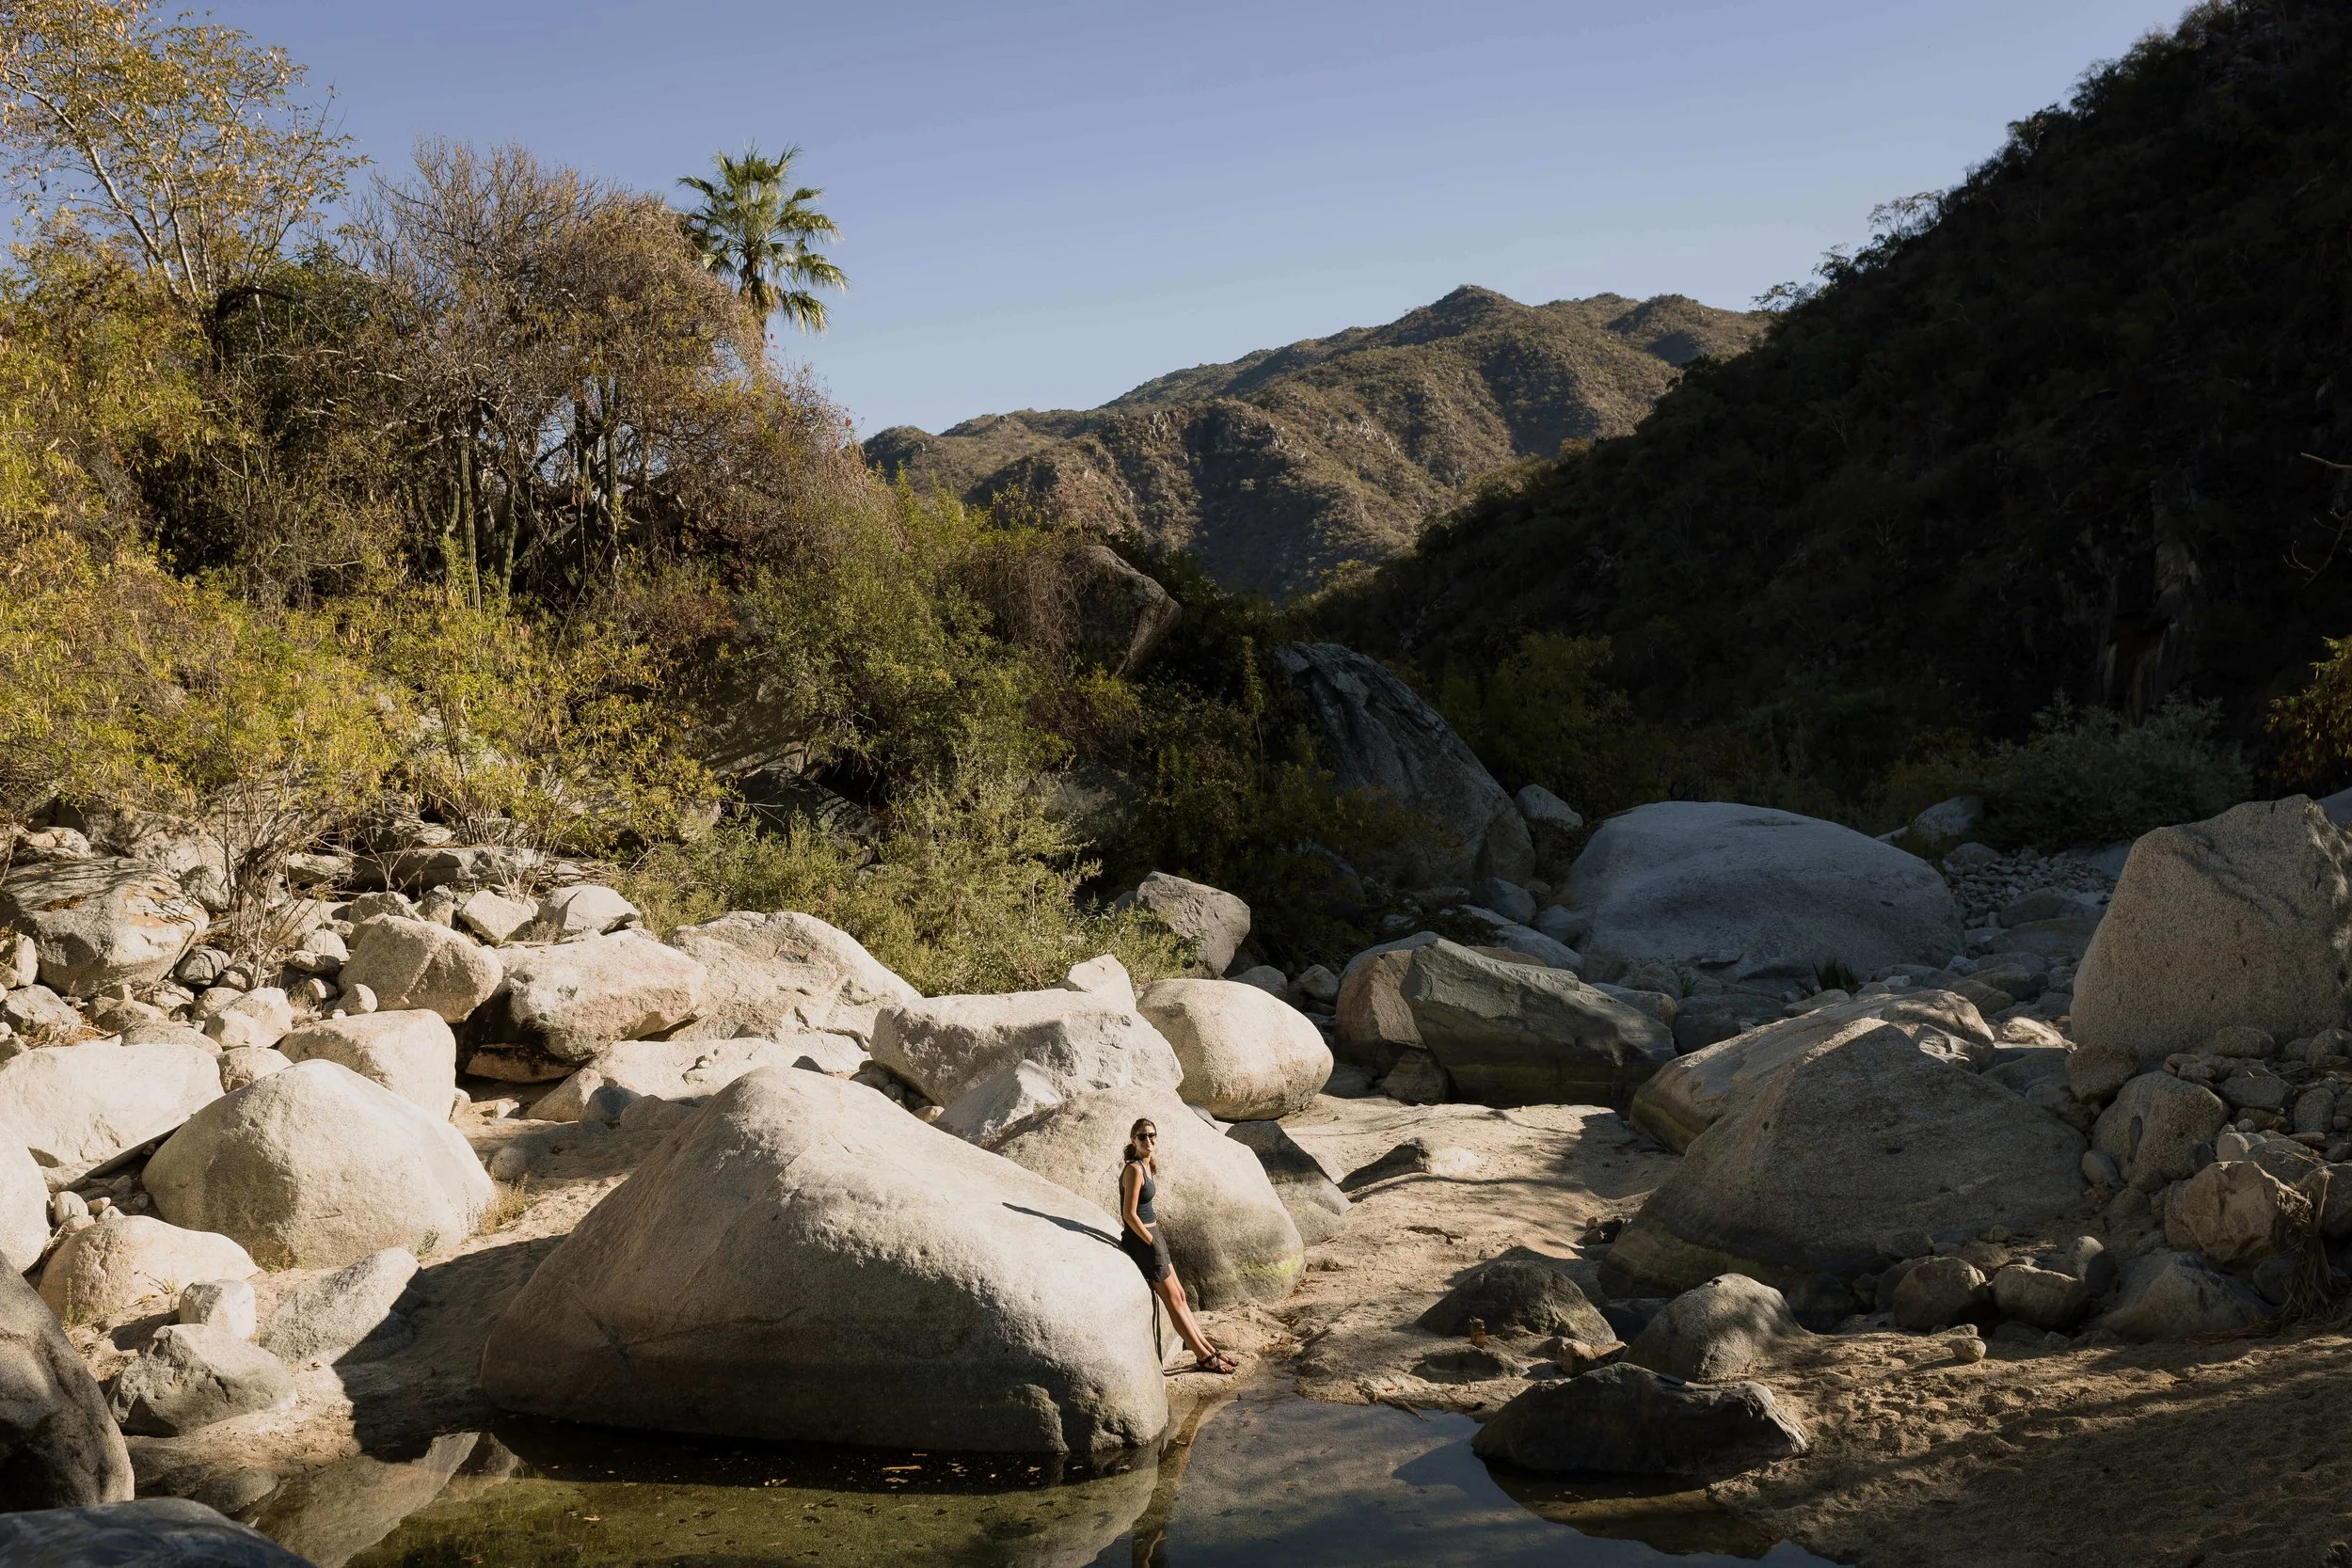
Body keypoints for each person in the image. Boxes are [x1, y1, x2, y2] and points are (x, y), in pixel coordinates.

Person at [1120, 1117, 1237, 1374]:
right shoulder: (1134, 1170)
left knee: (1182, 1295)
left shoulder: (1150, 1166)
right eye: (1142, 1136)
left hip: (1155, 1237)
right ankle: (1203, 1356)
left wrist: (1157, 1240)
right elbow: (1129, 1215)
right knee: (1173, 1300)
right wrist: (1151, 1243)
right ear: (1133, 1140)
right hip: (1143, 1242)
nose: (1148, 1140)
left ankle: (1208, 1348)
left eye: (1152, 1135)